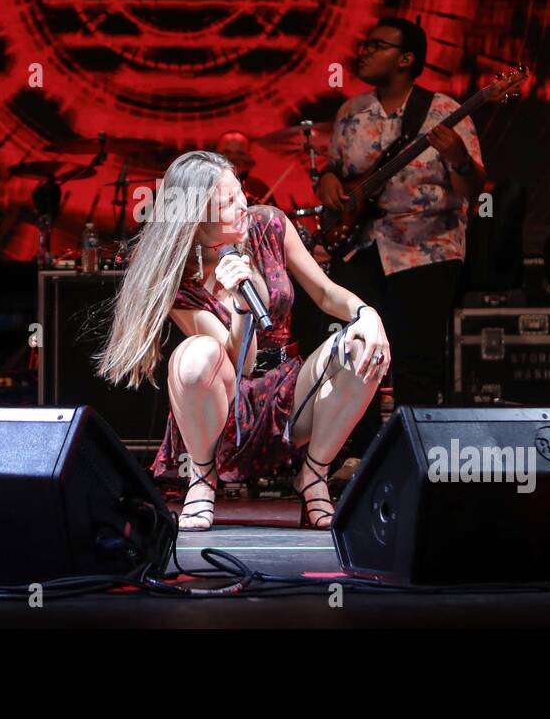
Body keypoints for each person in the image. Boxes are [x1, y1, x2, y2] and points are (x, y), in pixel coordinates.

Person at [96, 151, 391, 531]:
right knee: (195, 356)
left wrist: (366, 313)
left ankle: (314, 474)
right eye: (228, 202)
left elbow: (325, 293)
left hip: (288, 393)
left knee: (361, 342)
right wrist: (240, 306)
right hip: (227, 407)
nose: (243, 206)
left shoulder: (268, 225)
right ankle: (202, 480)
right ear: (198, 214)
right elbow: (240, 364)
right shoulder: (178, 277)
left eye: (241, 195)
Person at [317, 17, 484, 454]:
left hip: (424, 252)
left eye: (377, 45)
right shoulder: (350, 112)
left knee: (416, 362)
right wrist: (328, 181)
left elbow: (472, 187)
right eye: (365, 44)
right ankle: (356, 455)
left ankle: (414, 458)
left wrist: (458, 158)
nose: (364, 51)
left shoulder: (444, 111)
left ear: (406, 59)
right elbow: (334, 169)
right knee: (351, 356)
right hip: (361, 247)